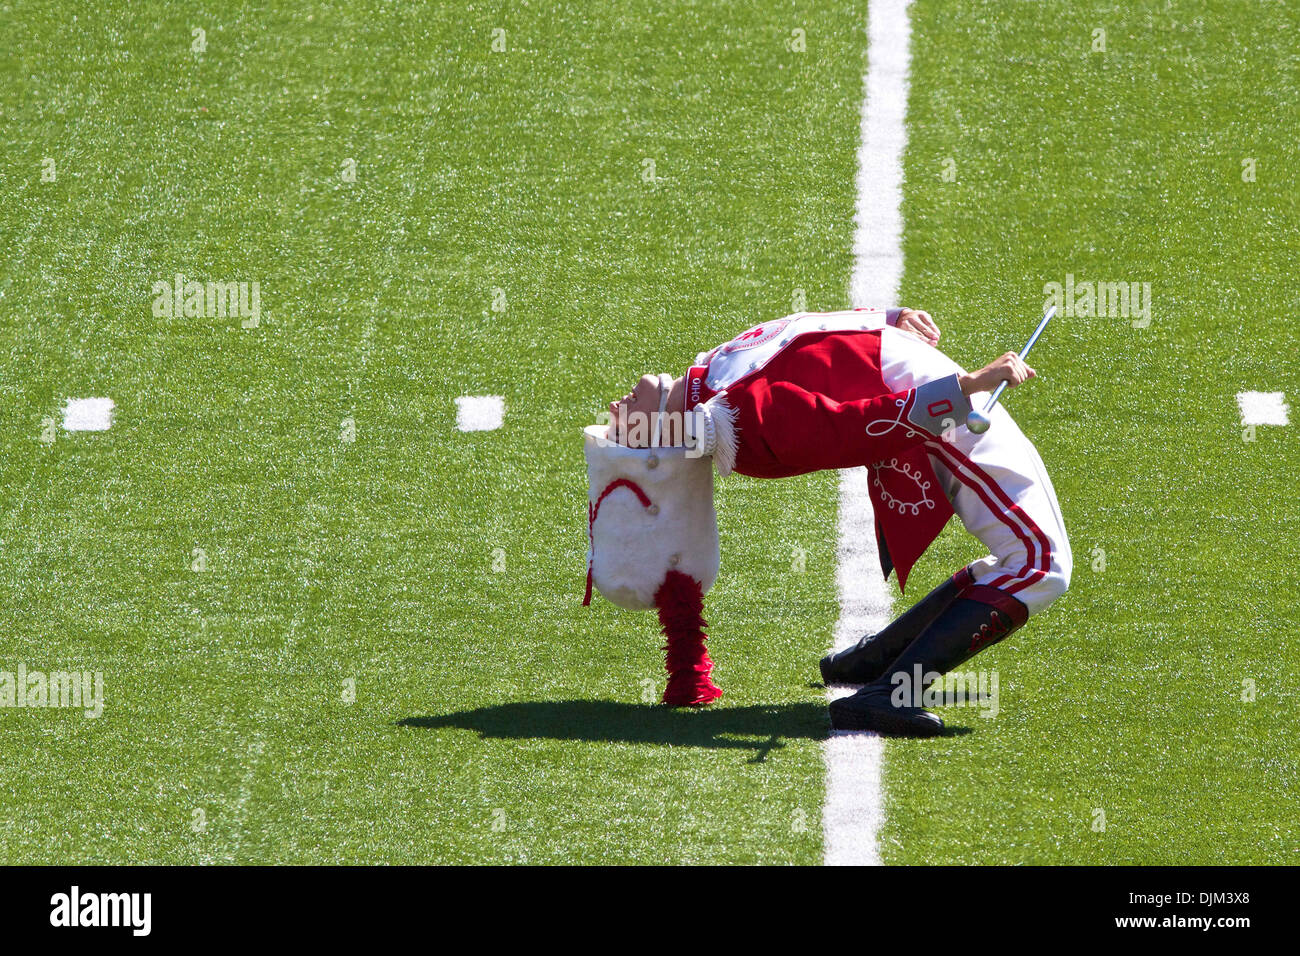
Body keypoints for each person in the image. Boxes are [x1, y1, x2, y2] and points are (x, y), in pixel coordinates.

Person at [604, 307, 1071, 736]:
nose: (614, 411)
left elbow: (807, 326)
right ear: (663, 437)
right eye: (626, 432)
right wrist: (966, 386)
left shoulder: (707, 379)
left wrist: (888, 317)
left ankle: (872, 660)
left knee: (1023, 561)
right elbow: (850, 426)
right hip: (942, 414)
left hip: (930, 391)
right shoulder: (746, 421)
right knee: (1040, 564)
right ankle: (887, 693)